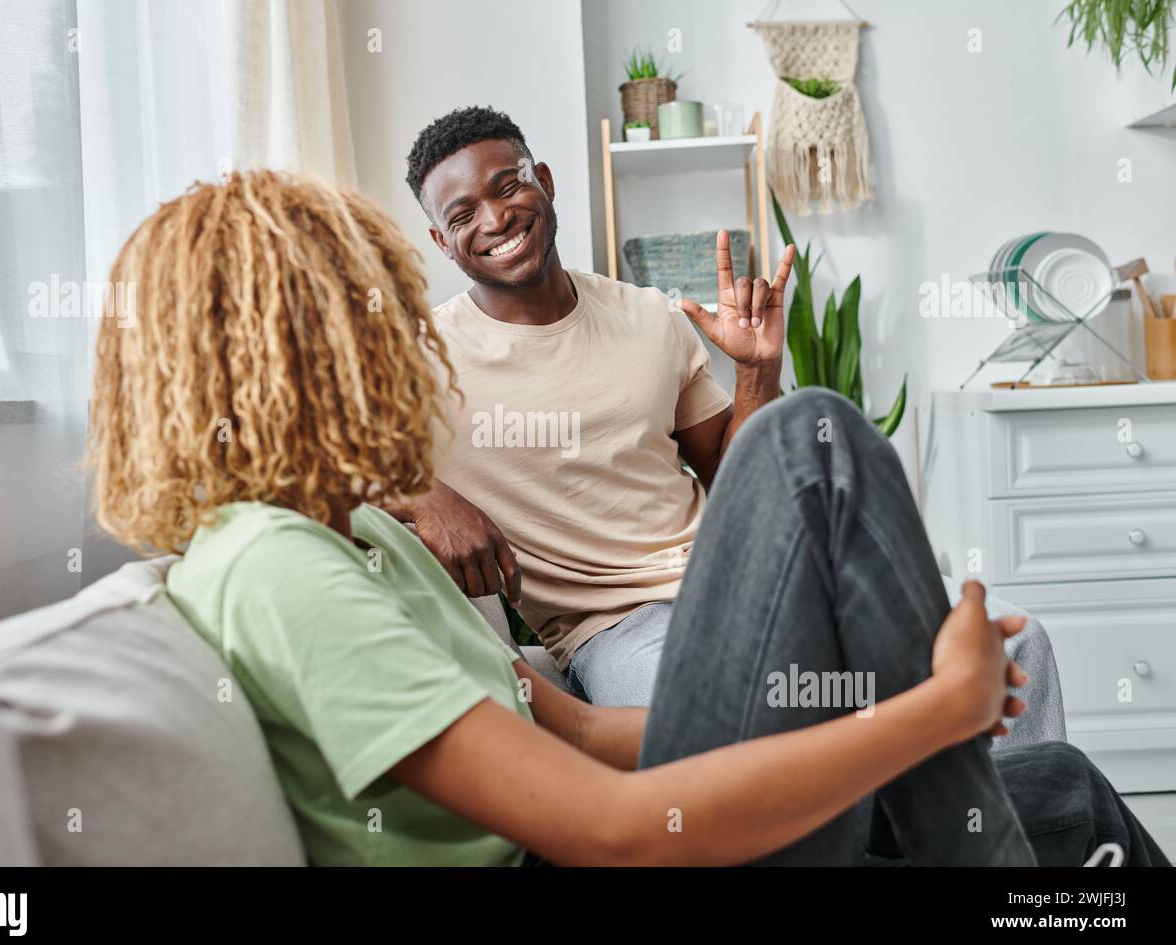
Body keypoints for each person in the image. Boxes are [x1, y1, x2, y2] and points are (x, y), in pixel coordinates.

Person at [87, 170, 1165, 867]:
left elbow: (599, 737)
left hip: (645, 780)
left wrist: (893, 696)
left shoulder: (359, 542)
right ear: (295, 357)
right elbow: (614, 831)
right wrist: (935, 712)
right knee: (810, 437)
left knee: (1059, 784)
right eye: (372, 314)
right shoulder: (277, 570)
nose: (404, 335)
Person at [398, 107, 1066, 742]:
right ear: (441, 241)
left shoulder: (649, 316)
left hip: (752, 574)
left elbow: (735, 475)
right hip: (619, 632)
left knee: (1015, 639)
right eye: (462, 214)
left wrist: (755, 370)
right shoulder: (419, 355)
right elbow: (307, 454)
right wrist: (428, 496)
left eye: (508, 185)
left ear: (543, 182)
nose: (495, 217)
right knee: (746, 711)